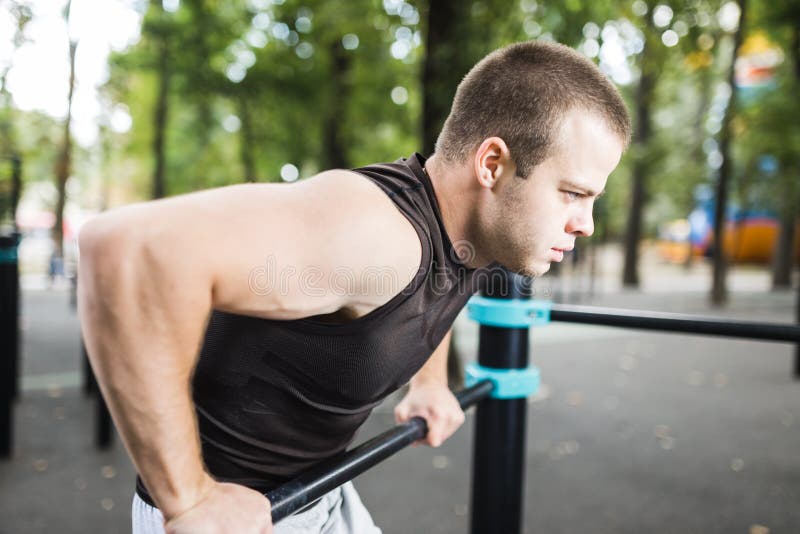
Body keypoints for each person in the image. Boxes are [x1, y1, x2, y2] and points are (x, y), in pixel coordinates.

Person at [78, 40, 630, 534]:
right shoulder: (371, 232)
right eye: (572, 193)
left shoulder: (475, 232)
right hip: (235, 518)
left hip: (316, 491)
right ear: (491, 164)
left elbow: (443, 279)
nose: (586, 224)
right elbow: (125, 253)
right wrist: (187, 499)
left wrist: (429, 383)